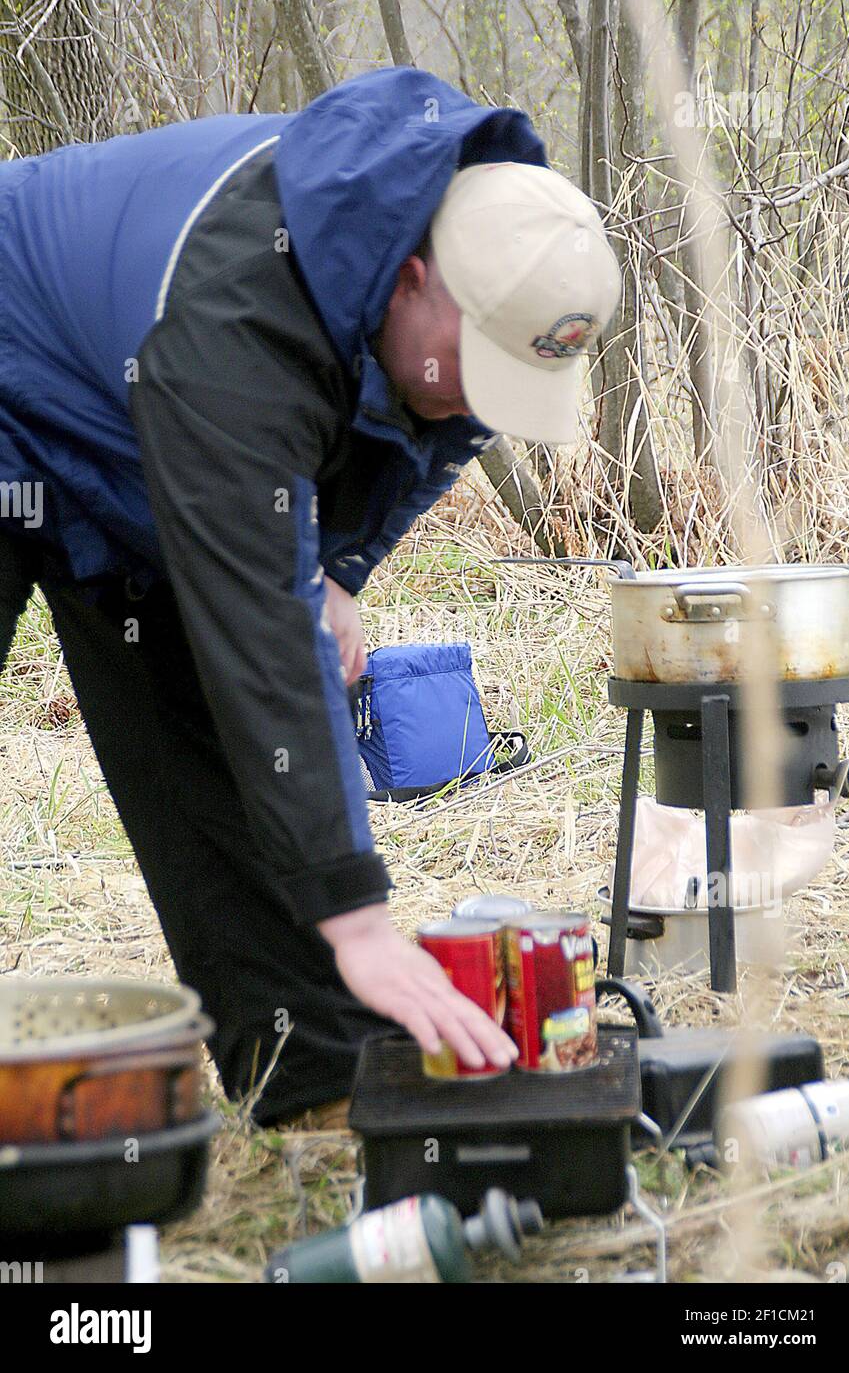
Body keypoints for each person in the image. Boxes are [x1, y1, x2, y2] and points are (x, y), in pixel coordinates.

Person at [0, 68, 620, 1125]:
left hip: (130, 439)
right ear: (413, 278)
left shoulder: (487, 264)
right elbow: (264, 634)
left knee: (207, 743)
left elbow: (436, 428)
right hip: (37, 371)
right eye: (476, 368)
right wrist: (360, 917)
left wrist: (341, 567)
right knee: (261, 669)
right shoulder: (239, 322)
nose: (480, 404)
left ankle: (312, 1077)